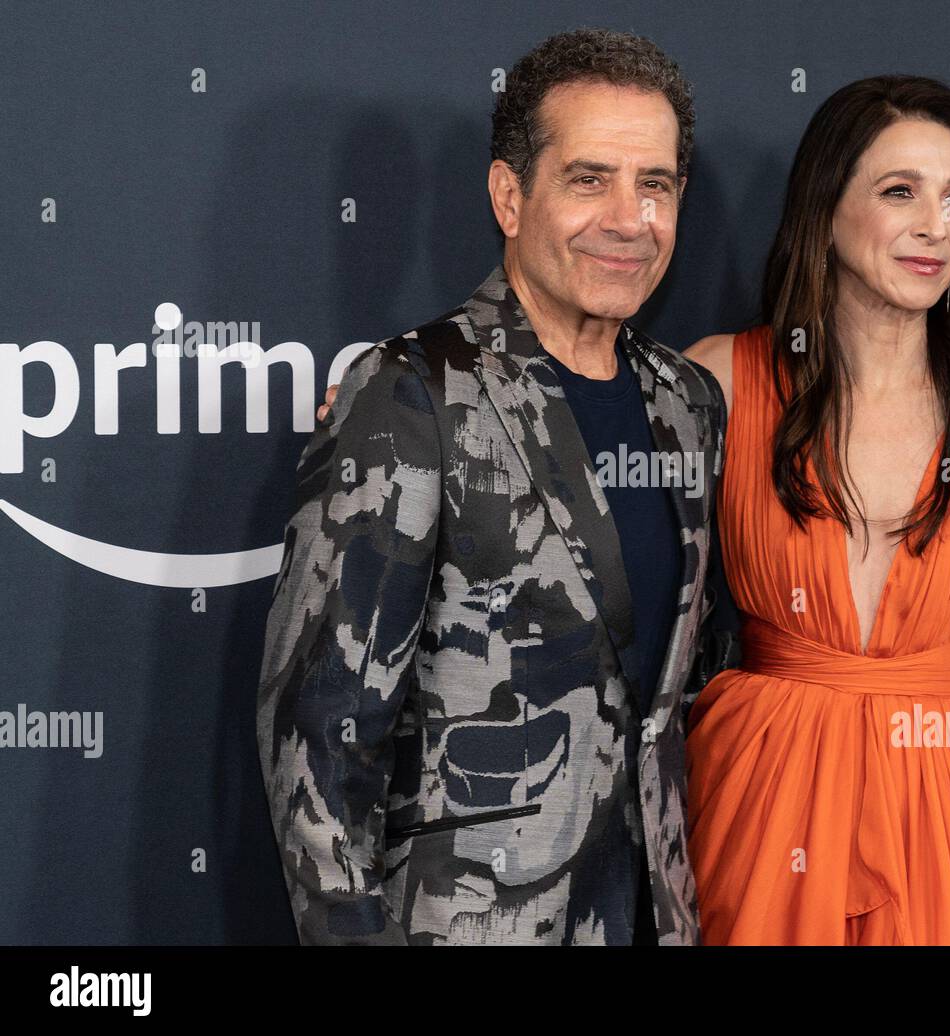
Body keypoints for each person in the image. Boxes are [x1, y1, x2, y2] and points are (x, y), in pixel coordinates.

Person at [256, 28, 726, 945]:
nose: (630, 219)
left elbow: (686, 688)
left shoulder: (688, 404)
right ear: (510, 197)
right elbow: (320, 738)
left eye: (656, 184)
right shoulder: (411, 392)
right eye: (589, 180)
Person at [681, 75, 950, 944]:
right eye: (899, 190)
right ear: (825, 209)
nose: (935, 225)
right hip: (767, 812)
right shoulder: (719, 382)